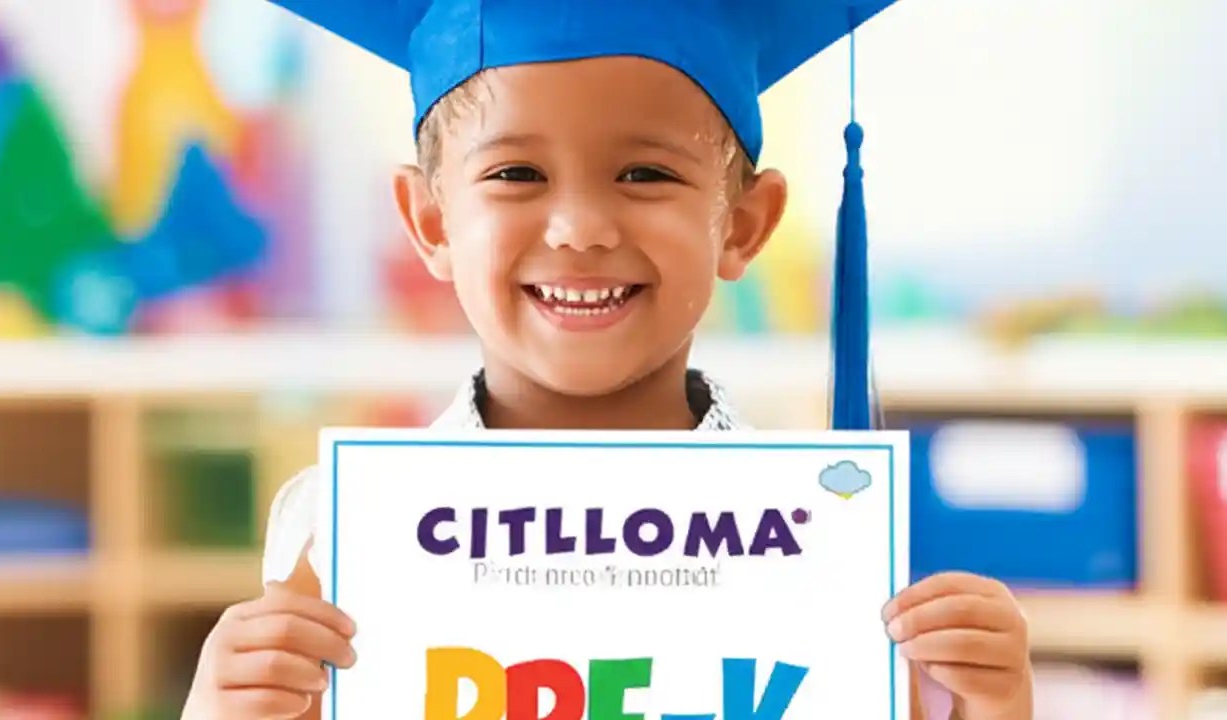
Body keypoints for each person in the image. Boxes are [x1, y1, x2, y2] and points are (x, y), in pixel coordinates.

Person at [182, 1, 1033, 718]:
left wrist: (990, 707)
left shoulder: (825, 538)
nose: (581, 228)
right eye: (516, 173)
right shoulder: (344, 535)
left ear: (742, 225)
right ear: (431, 221)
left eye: (644, 173)